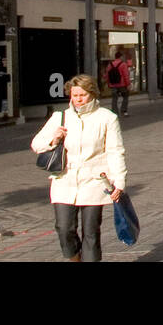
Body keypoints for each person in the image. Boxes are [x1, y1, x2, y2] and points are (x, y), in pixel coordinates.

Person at [31, 75, 126, 263]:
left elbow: (116, 151)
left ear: (92, 94)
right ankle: (75, 259)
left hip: (94, 182)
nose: (78, 99)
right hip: (64, 181)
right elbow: (36, 144)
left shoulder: (107, 118)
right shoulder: (60, 117)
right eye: (74, 95)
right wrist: (54, 139)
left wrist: (119, 182)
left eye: (82, 95)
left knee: (91, 231)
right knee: (64, 228)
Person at [105, 51, 131, 116]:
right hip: (122, 84)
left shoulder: (110, 64)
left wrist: (108, 84)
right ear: (121, 57)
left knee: (114, 98)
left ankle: (114, 112)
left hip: (113, 84)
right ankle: (123, 111)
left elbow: (107, 75)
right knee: (125, 97)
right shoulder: (123, 64)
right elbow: (126, 75)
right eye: (123, 56)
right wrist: (128, 84)